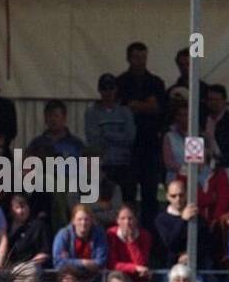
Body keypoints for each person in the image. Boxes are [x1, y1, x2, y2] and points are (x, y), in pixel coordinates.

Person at [116, 42, 167, 224]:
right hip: (126, 147)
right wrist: (147, 105)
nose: (140, 61)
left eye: (143, 57)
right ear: (129, 58)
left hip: (150, 145)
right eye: (136, 57)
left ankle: (149, 234)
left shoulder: (155, 82)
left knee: (150, 195)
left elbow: (159, 109)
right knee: (128, 194)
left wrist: (137, 105)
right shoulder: (120, 82)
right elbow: (120, 110)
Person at [84, 74, 136, 205]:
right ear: (99, 90)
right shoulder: (91, 112)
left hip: (123, 164)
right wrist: (118, 135)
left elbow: (130, 138)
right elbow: (93, 140)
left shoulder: (125, 111)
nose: (108, 92)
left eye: (111, 88)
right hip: (103, 166)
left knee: (126, 202)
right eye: (104, 88)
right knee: (104, 203)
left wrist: (106, 133)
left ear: (116, 89)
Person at [153, 178, 210, 269]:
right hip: (170, 269)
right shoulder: (161, 219)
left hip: (196, 268)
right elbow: (169, 244)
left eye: (181, 195)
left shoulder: (198, 218)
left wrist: (191, 255)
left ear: (186, 194)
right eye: (173, 196)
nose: (178, 199)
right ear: (167, 196)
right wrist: (183, 220)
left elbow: (205, 244)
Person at [52, 204, 107, 274]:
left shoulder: (99, 234)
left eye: (86, 219)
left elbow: (101, 261)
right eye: (79, 219)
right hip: (71, 278)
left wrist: (70, 262)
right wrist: (82, 263)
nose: (83, 223)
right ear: (73, 221)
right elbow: (58, 262)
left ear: (91, 221)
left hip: (94, 278)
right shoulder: (64, 235)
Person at [5, 193, 50, 272]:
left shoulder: (38, 226)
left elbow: (44, 253)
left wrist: (27, 266)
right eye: (17, 208)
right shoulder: (6, 226)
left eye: (23, 207)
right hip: (8, 267)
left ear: (28, 207)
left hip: (31, 267)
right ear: (11, 210)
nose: (21, 211)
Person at [106, 205, 152, 278]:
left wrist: (131, 240)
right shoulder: (111, 234)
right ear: (117, 220)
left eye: (130, 218)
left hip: (137, 276)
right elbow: (112, 264)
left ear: (136, 219)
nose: (127, 222)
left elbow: (141, 263)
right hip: (117, 275)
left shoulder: (144, 236)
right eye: (123, 219)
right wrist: (134, 268)